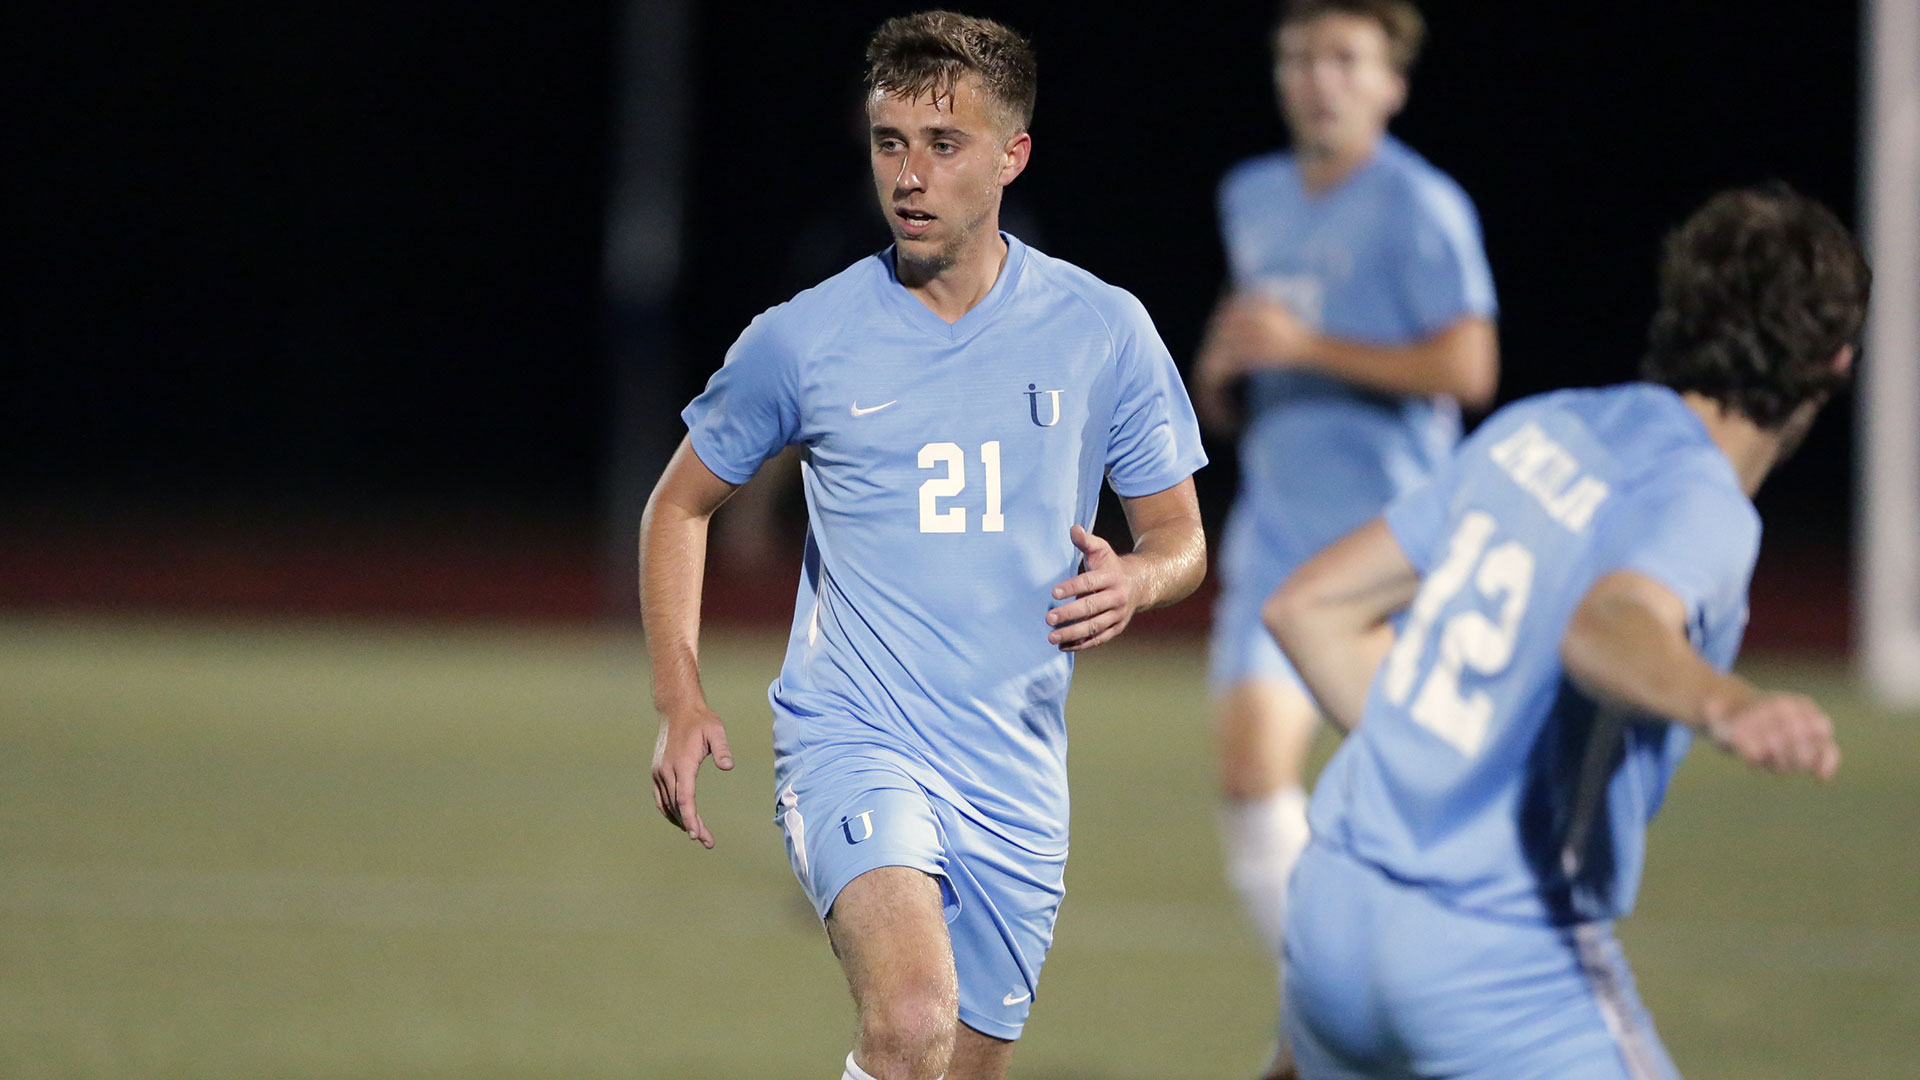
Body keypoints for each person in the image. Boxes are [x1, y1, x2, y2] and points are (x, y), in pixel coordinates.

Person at [642, 13, 1208, 1080]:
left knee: (948, 1068)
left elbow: (1179, 537)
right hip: (853, 737)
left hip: (1015, 773)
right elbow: (677, 507)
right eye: (888, 141)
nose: (910, 175)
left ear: (1011, 156)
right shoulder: (803, 335)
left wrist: (1139, 577)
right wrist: (681, 694)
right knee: (909, 1022)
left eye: (943, 146)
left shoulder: (1103, 329)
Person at [1264, 183, 1869, 1079]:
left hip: (1335, 908)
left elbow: (1308, 608)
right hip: (1494, 961)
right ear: (1837, 360)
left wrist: (1448, 751)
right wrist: (1727, 703)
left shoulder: (1542, 425)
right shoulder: (1702, 505)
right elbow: (1609, 627)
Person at [1191, 2, 1497, 1070]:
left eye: (1343, 59)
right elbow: (1249, 348)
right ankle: (1343, 1020)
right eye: (1299, 56)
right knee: (1247, 774)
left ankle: (1345, 1032)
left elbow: (1467, 370)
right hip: (1278, 540)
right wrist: (1222, 380)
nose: (1318, 78)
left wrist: (1309, 344)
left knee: (1399, 821)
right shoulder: (1252, 195)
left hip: (1398, 557)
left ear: (1389, 85)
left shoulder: (1423, 207)